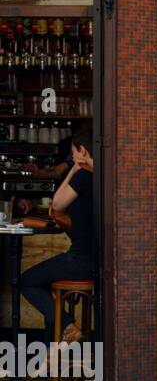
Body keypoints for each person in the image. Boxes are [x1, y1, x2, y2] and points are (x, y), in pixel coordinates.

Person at [20, 130, 96, 342]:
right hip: (98, 261)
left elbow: (56, 204)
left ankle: (68, 327)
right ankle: (56, 343)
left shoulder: (84, 176)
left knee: (26, 281)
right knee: (46, 287)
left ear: (83, 151)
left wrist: (73, 170)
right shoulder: (104, 177)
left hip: (80, 260)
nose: (71, 158)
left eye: (73, 153)